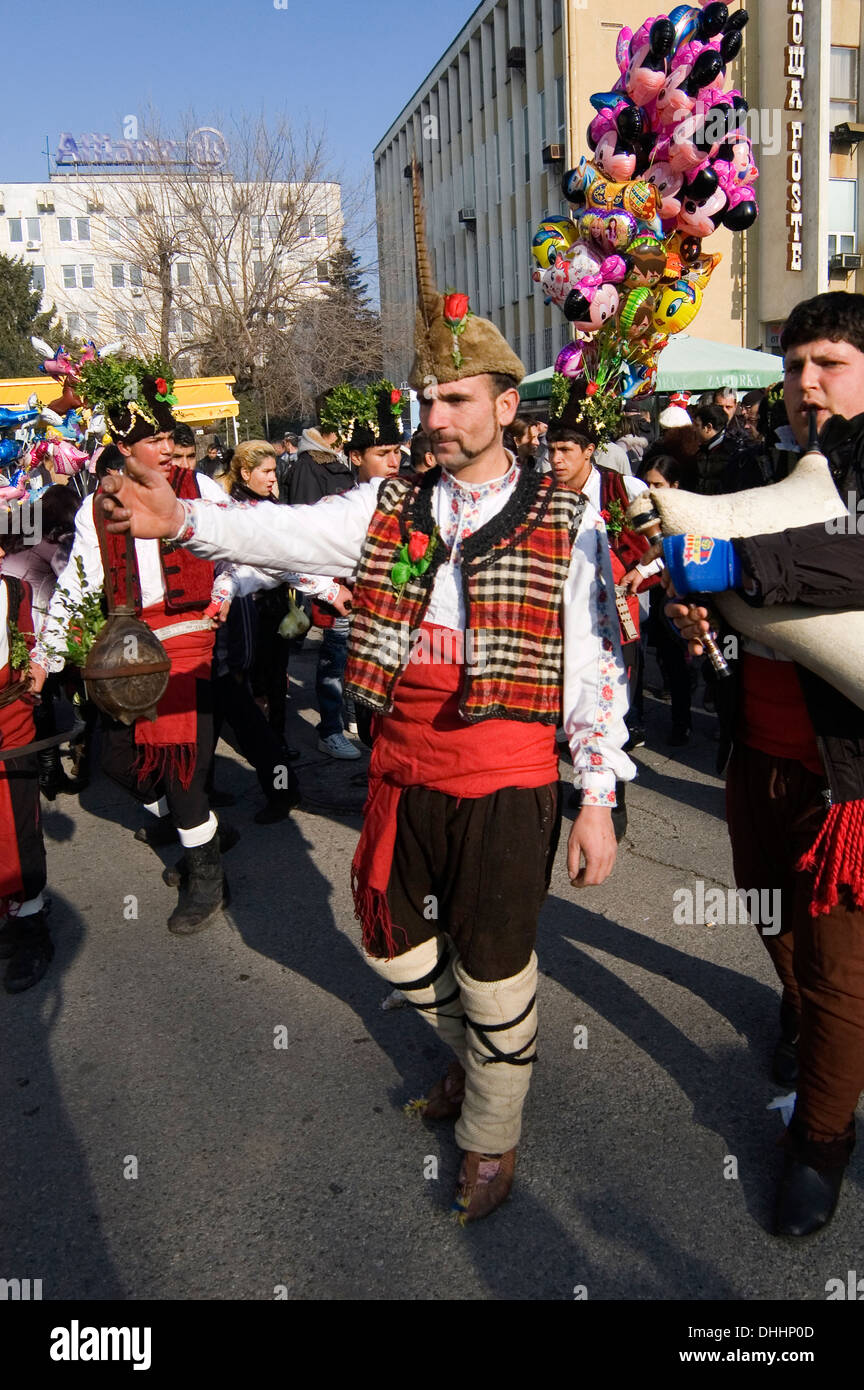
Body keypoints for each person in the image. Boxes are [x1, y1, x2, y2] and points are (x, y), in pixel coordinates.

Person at [99, 165, 634, 1224]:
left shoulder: (566, 518)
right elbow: (290, 535)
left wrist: (601, 792)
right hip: (403, 766)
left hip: (506, 775)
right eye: (425, 398)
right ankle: (474, 1058)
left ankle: (491, 1124)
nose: (433, 415)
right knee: (390, 938)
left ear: (503, 405)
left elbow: (598, 658)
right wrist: (186, 525)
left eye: (454, 399)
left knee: (494, 961)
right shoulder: (393, 502)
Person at [664, 291, 864, 1238]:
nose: (807, 384)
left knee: (839, 974)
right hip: (758, 750)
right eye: (793, 366)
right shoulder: (757, 463)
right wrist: (695, 609)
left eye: (829, 363)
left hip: (847, 780)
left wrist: (736, 570)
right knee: (766, 913)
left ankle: (822, 1145)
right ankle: (795, 1012)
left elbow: (842, 561)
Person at [31, 360, 237, 936]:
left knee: (181, 769)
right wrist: (47, 658)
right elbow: (74, 581)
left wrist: (223, 590)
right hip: (129, 649)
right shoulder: (97, 504)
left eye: (171, 436)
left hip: (190, 640)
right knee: (121, 763)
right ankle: (205, 835)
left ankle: (208, 878)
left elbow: (237, 555)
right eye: (156, 439)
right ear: (123, 446)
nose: (170, 449)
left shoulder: (205, 490)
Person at [0, 549, 51, 992]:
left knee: (18, 830)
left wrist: (37, 671)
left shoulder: (14, 591)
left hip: (10, 728)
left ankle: (31, 925)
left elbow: (29, 648)